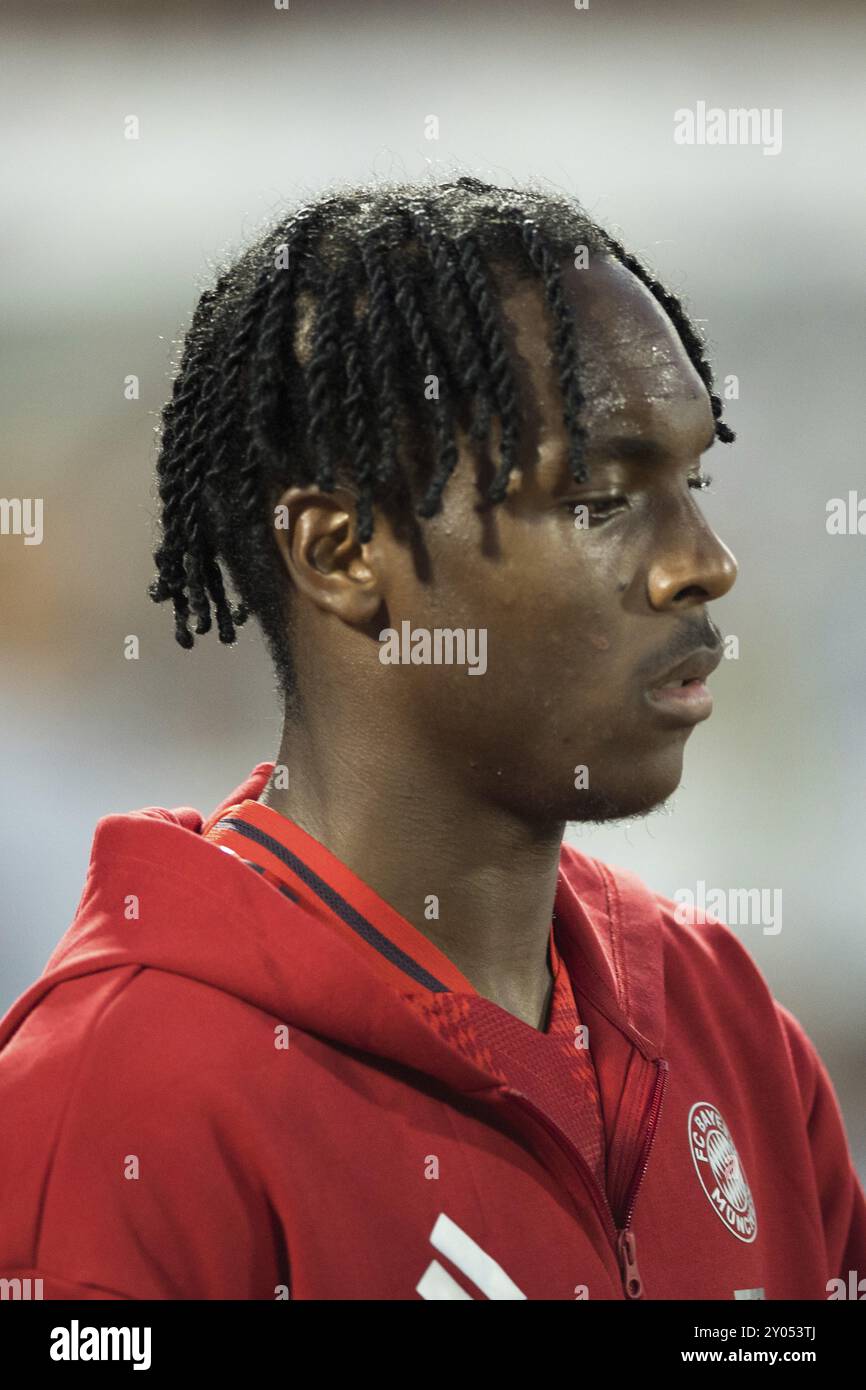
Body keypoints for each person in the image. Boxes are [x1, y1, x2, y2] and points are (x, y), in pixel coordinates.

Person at [1, 177, 863, 1301]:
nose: (702, 561)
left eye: (690, 479)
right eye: (600, 499)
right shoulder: (118, 1104)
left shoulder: (720, 1018)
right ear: (340, 551)